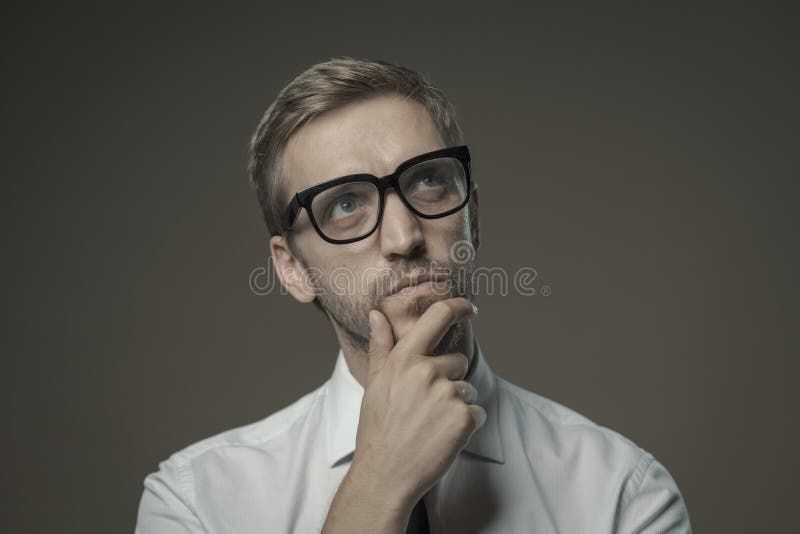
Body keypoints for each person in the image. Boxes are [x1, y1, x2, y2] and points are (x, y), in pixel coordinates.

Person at [135, 56, 692, 533]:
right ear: (292, 269)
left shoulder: (623, 495)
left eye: (427, 181)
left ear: (472, 213)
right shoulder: (195, 503)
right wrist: (378, 486)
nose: (405, 238)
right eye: (345, 204)